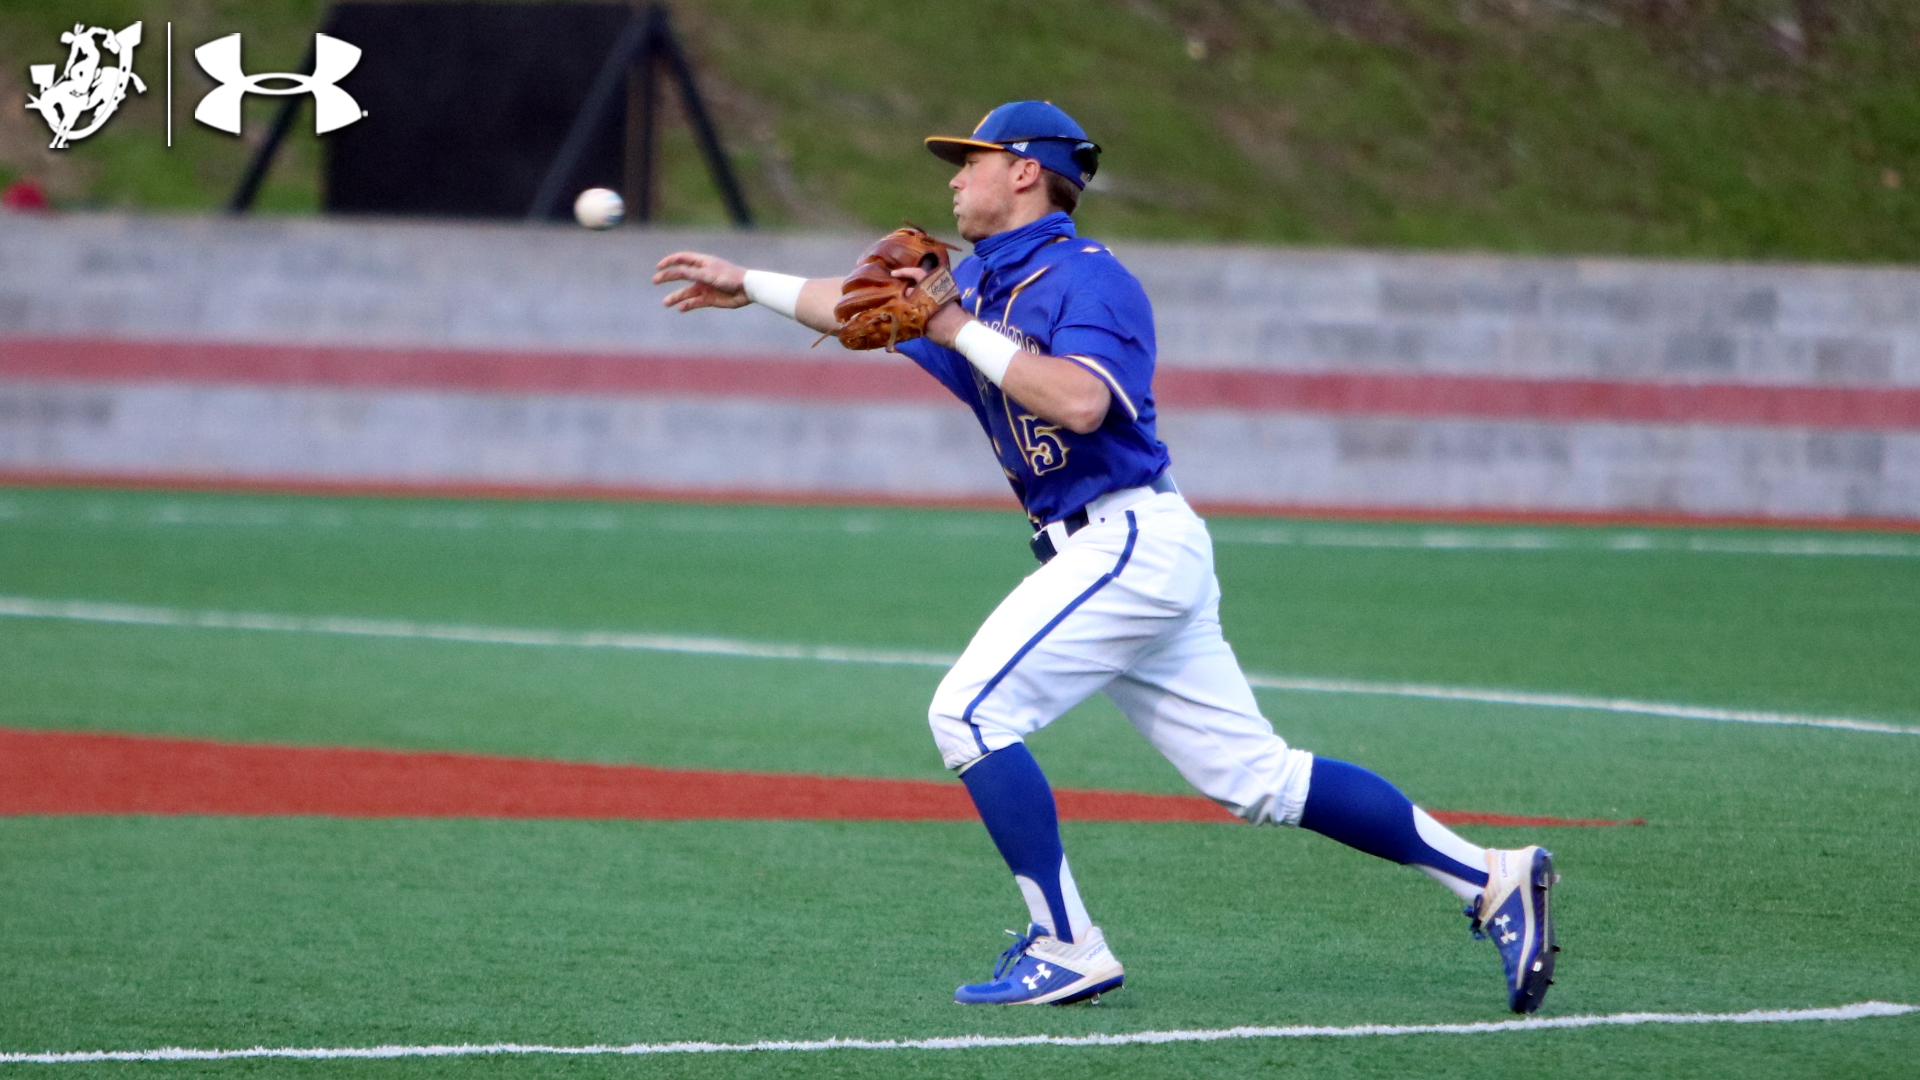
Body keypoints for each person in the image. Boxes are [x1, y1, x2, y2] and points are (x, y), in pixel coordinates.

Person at [653, 101, 1557, 1012]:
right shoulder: (981, 289)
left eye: (970, 159)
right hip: (1112, 551)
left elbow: (1083, 403)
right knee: (1256, 777)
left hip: (1127, 539)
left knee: (966, 715)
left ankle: (1065, 944)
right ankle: (1492, 877)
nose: (953, 177)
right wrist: (750, 283)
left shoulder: (1087, 278)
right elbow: (853, 305)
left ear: (1025, 170)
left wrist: (951, 325)